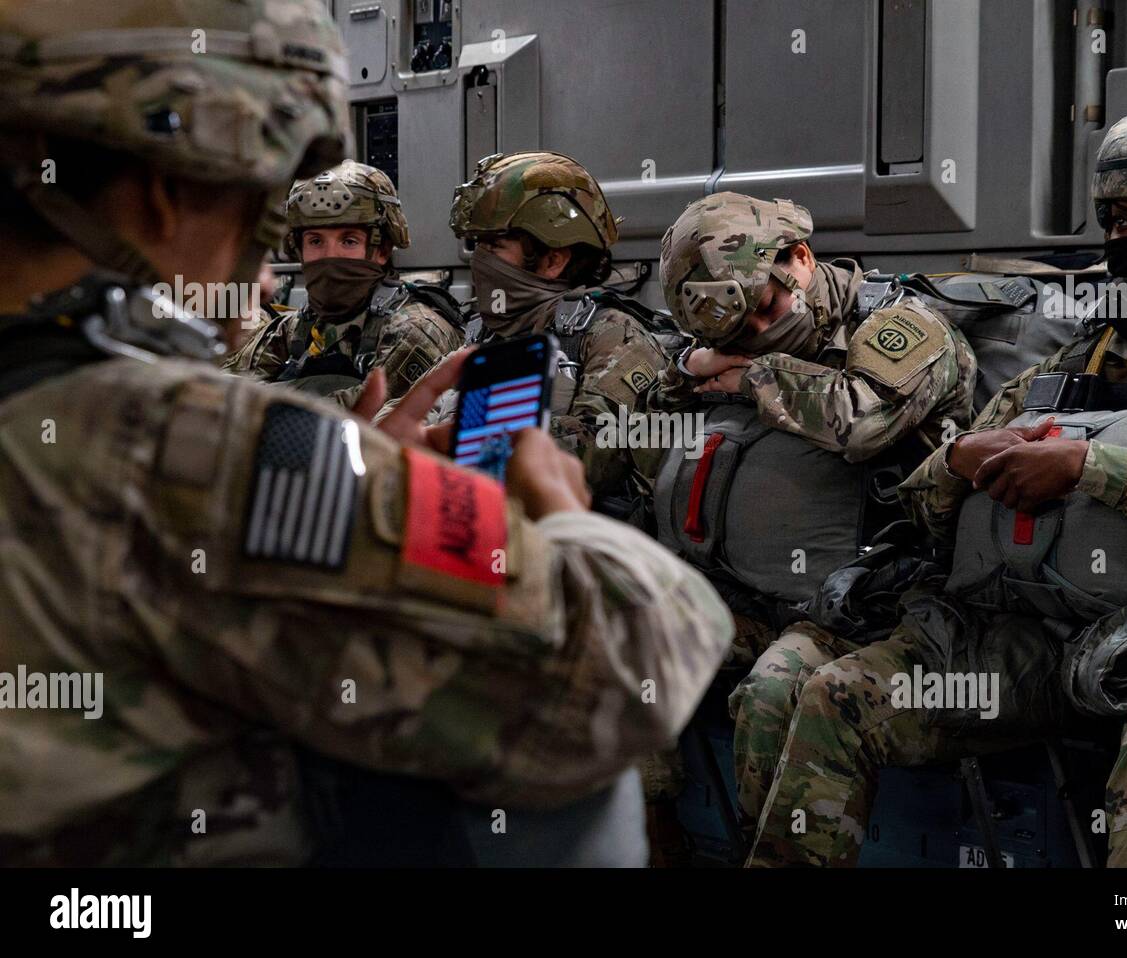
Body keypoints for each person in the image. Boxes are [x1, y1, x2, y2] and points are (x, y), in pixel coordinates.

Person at [0, 0, 732, 866]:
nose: (282, 260)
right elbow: (626, 659)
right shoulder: (207, 446)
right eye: (262, 209)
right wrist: (559, 516)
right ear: (172, 192)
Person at [747, 102, 1127, 868]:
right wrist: (963, 461)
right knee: (840, 695)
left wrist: (1090, 468)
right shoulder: (1080, 356)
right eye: (1120, 220)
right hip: (1038, 639)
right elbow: (923, 501)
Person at [651, 191, 976, 832]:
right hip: (746, 593)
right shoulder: (737, 337)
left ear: (799, 258)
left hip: (864, 609)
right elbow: (662, 387)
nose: (756, 336)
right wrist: (689, 363)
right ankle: (653, 840)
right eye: (733, 336)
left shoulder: (900, 325)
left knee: (774, 691)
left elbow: (861, 419)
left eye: (765, 312)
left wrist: (747, 377)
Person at [441, 151, 672, 516]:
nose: (479, 261)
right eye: (478, 246)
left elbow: (596, 453)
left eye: (494, 246)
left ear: (553, 260)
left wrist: (458, 447)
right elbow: (412, 406)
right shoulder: (481, 329)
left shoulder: (611, 335)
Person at [226, 160, 464, 406]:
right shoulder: (301, 326)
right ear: (299, 249)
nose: (331, 256)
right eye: (316, 241)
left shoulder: (416, 328)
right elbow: (227, 384)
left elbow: (362, 411)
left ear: (381, 250)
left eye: (348, 241)